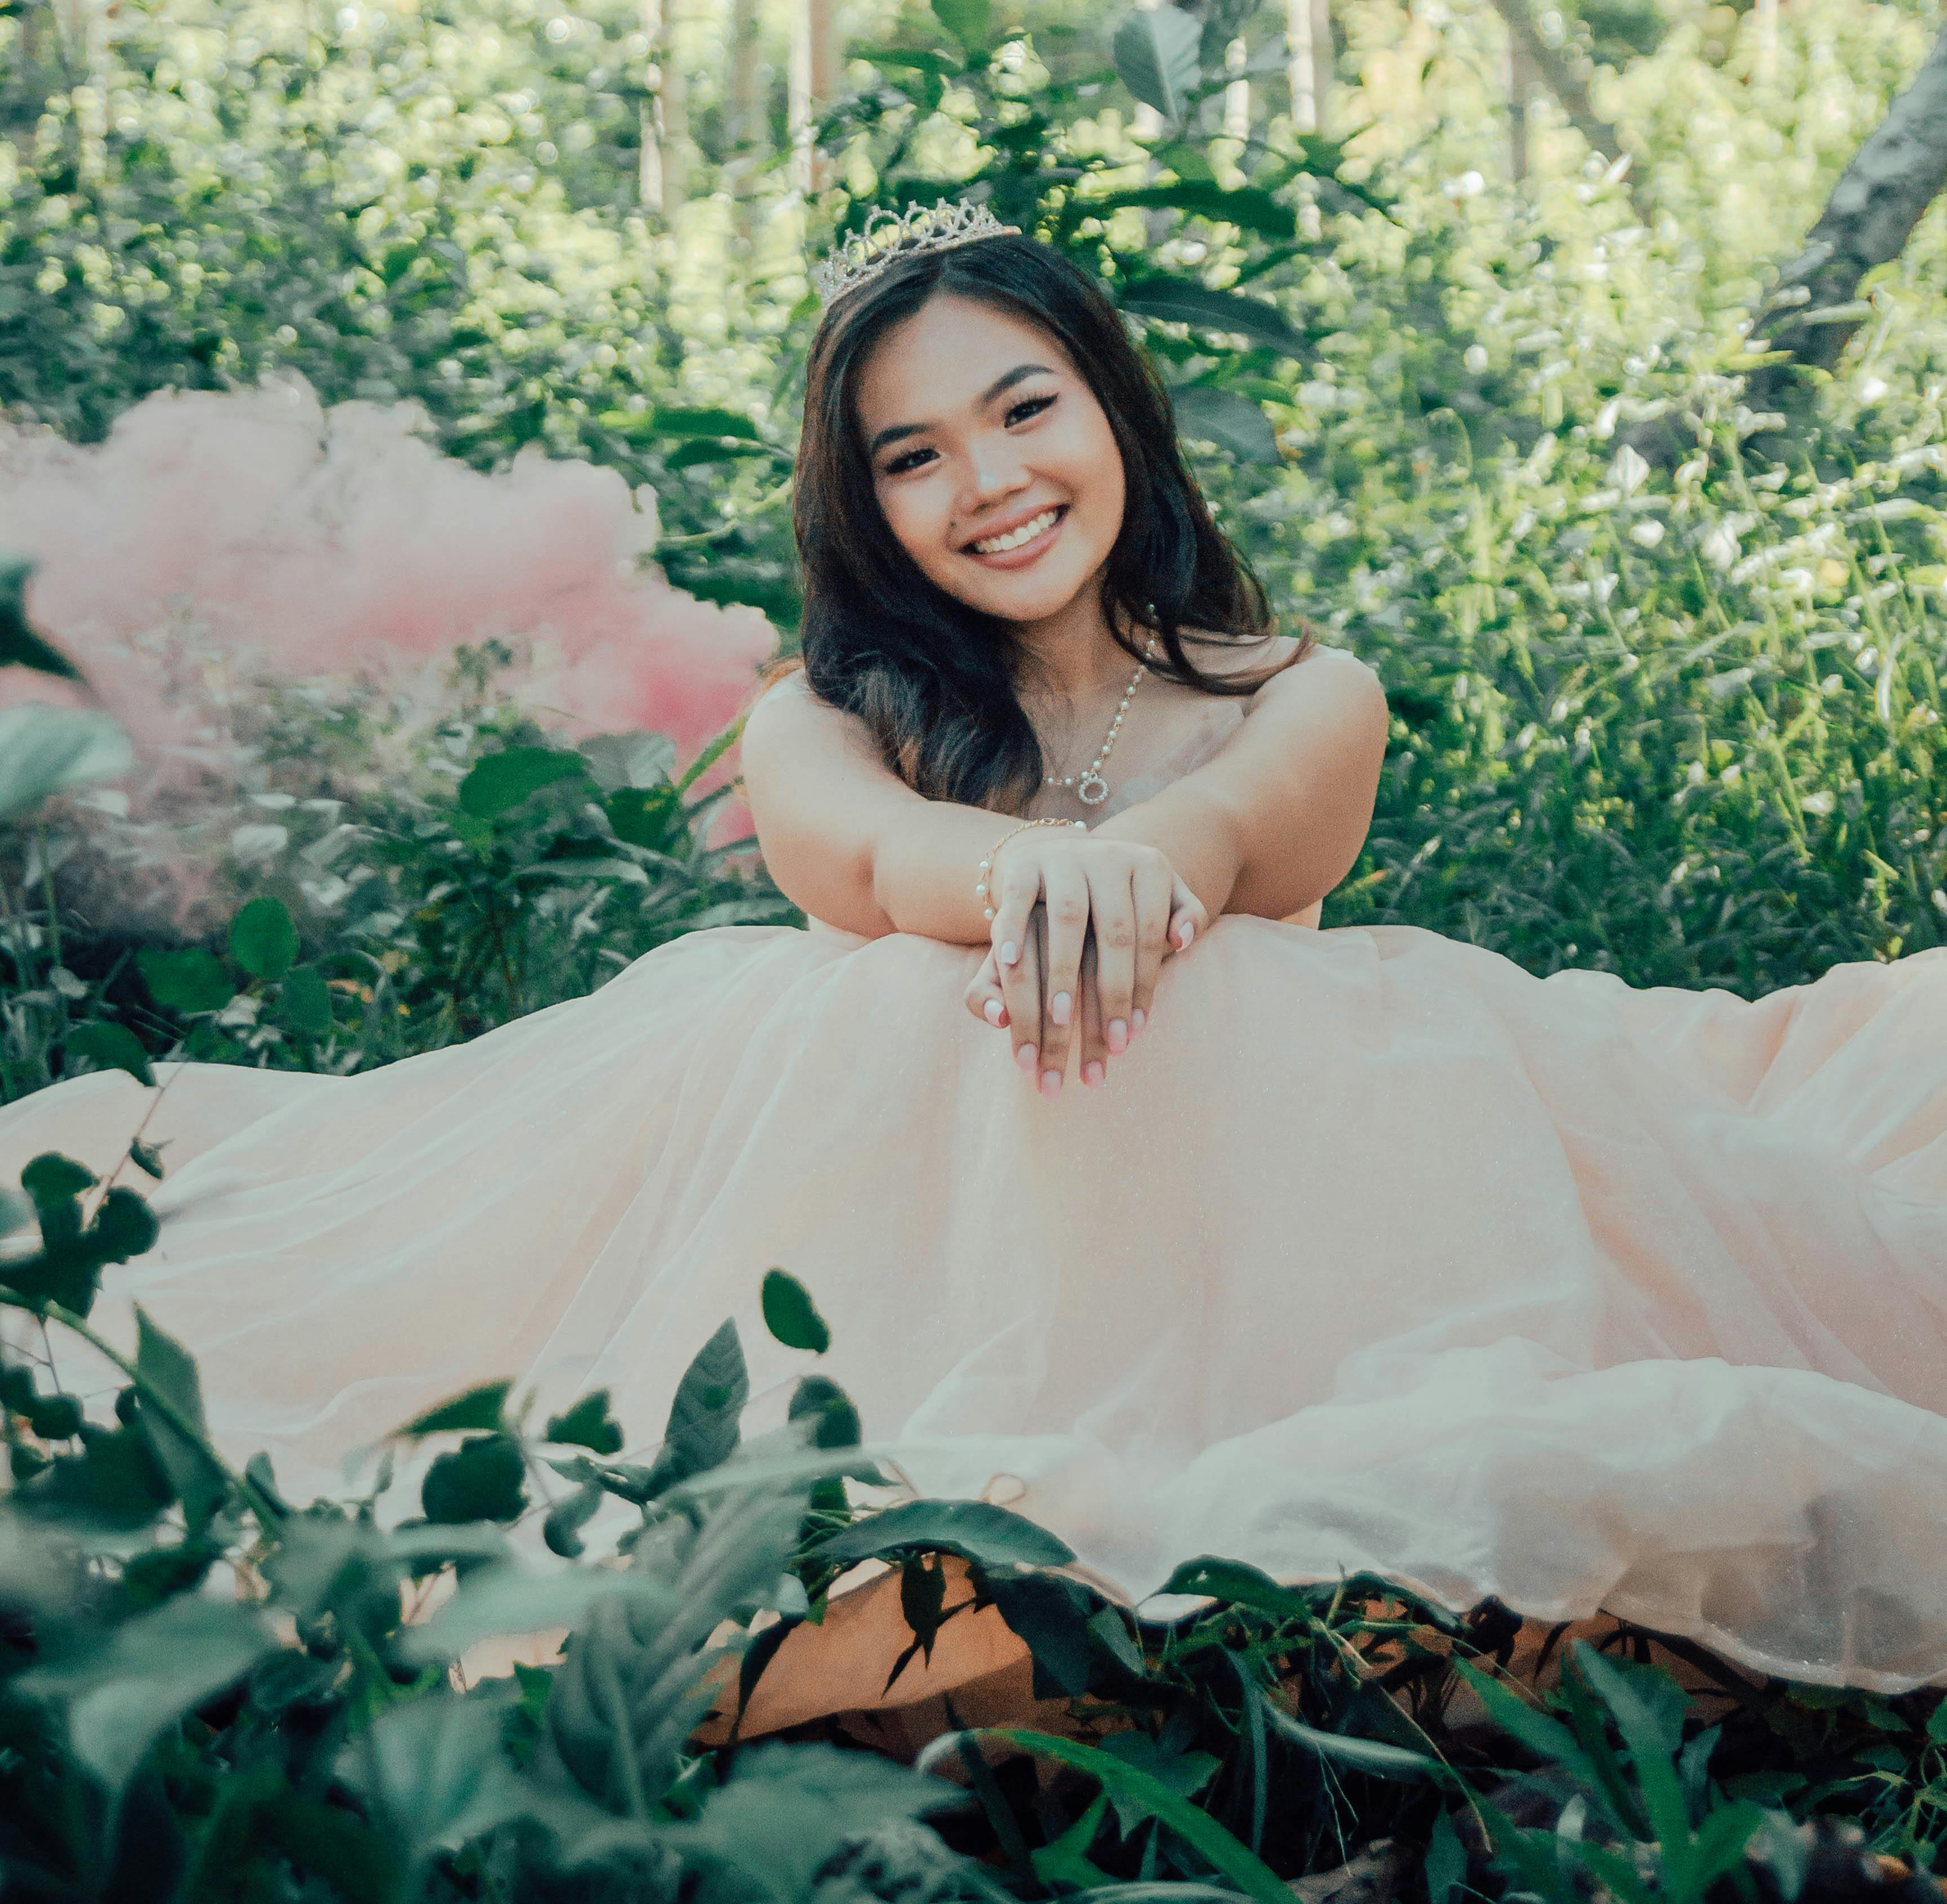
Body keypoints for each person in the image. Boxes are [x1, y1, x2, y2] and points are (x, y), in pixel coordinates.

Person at [6, 204, 1947, 1698]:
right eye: (914, 454)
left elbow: (1241, 829)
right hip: (895, 1240)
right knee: (856, 1019)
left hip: (1275, 1238)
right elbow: (857, 858)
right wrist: (1015, 874)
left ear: (1114, 409)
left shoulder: (1304, 691)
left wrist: (1151, 862)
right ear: (866, 503)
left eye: (1025, 409)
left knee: (1339, 1027)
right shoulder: (825, 714)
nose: (991, 480)